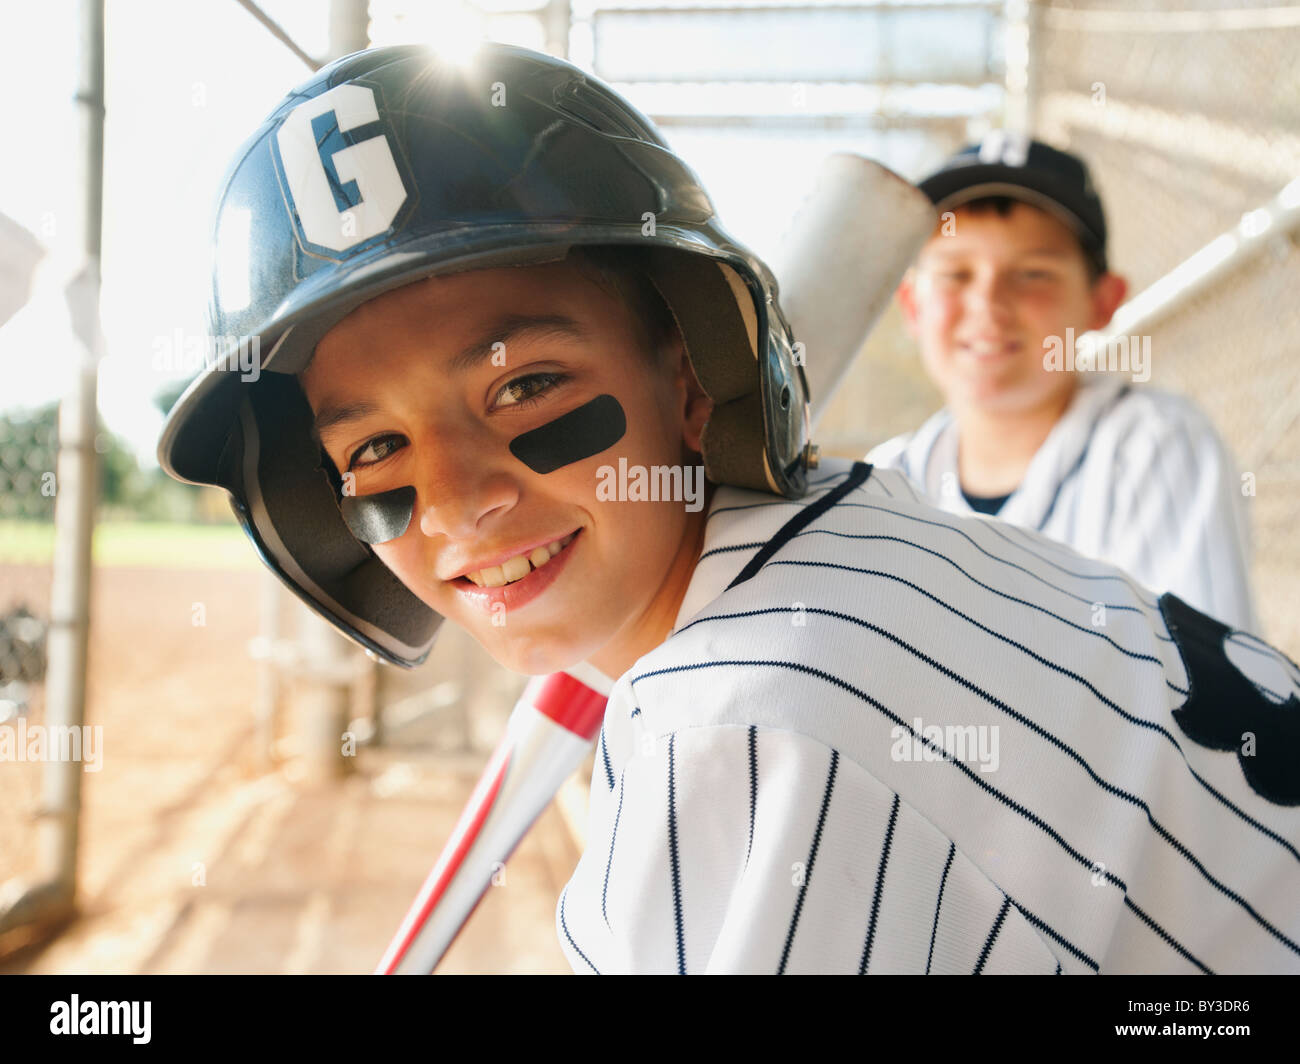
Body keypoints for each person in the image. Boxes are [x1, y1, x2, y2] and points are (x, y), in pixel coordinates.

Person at [158, 45, 1300, 974]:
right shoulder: (864, 526)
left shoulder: (740, 719)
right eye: (373, 449)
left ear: (692, 377)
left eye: (523, 385)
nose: (460, 499)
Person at [867, 135, 1257, 633]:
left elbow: (1210, 699)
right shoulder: (885, 479)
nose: (988, 304)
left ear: (1102, 302)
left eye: (1033, 273)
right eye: (955, 274)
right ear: (912, 305)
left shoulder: (1154, 444)